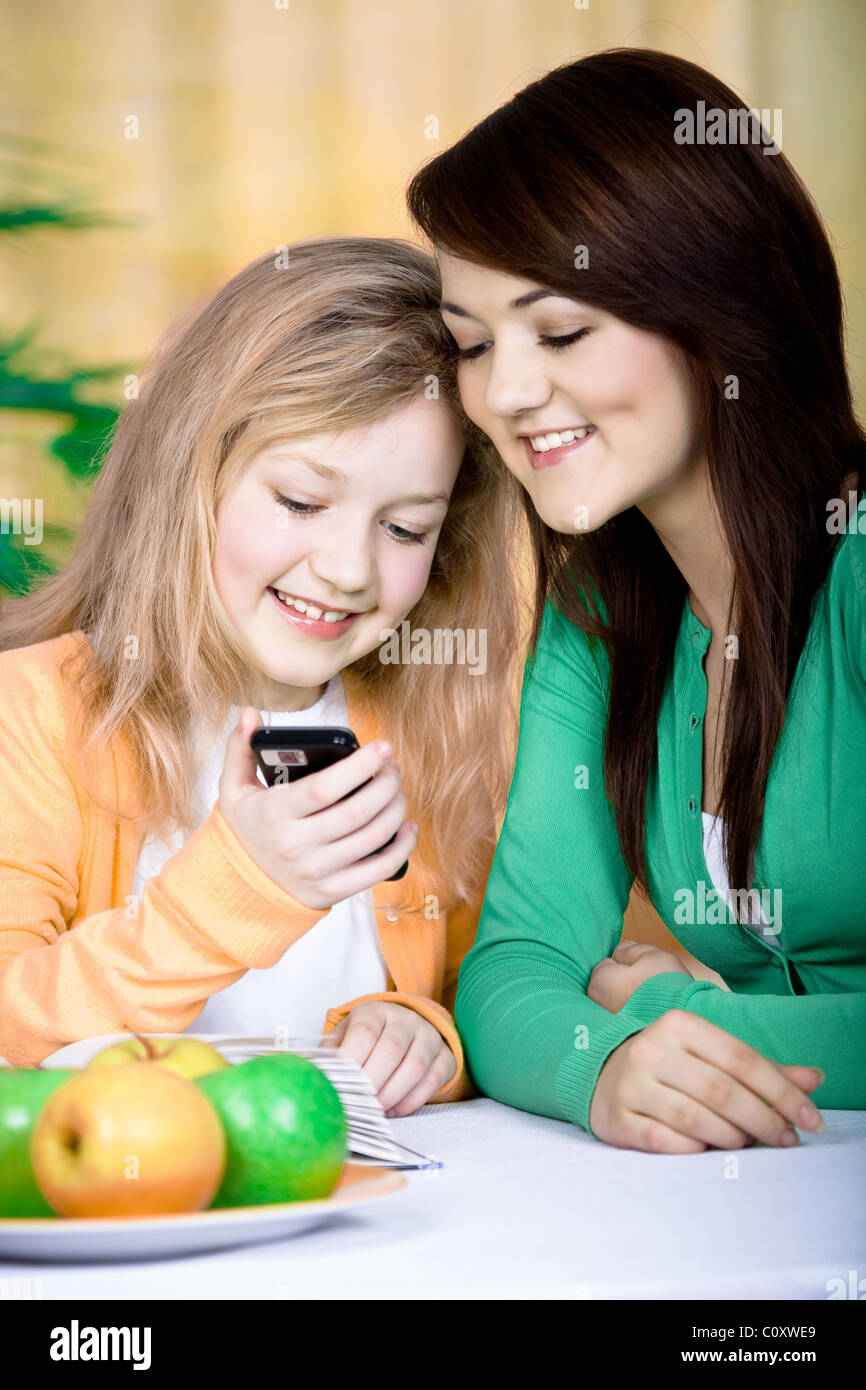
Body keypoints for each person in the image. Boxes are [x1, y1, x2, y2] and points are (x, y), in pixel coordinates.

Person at [406, 48, 866, 1150]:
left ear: (718, 308)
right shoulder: (596, 622)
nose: (505, 393)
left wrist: (669, 1012)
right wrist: (596, 1065)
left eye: (560, 331)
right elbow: (513, 969)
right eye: (470, 345)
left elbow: (609, 998)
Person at [0, 237, 525, 1118]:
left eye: (404, 529)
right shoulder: (34, 713)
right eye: (301, 502)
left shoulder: (443, 729)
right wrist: (244, 884)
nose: (349, 568)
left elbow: (517, 981)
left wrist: (431, 1030)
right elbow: (13, 1036)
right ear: (187, 477)